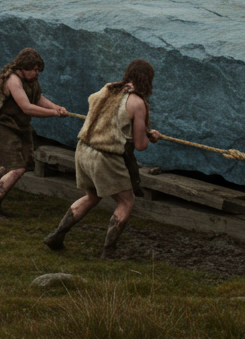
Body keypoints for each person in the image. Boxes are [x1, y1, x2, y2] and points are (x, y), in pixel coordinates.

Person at [43, 59, 160, 258]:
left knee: (92, 196)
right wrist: (152, 136)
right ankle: (109, 251)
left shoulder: (107, 89)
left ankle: (56, 235)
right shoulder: (137, 103)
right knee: (126, 202)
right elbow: (140, 145)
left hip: (83, 149)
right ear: (148, 79)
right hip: (105, 156)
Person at [0, 48, 67, 221]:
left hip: (20, 125)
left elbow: (37, 97)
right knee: (17, 167)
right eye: (33, 69)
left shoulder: (30, 79)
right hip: (3, 125)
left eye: (38, 69)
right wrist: (53, 114)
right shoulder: (12, 80)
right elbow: (27, 107)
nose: (35, 73)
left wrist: (55, 107)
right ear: (22, 67)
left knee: (22, 162)